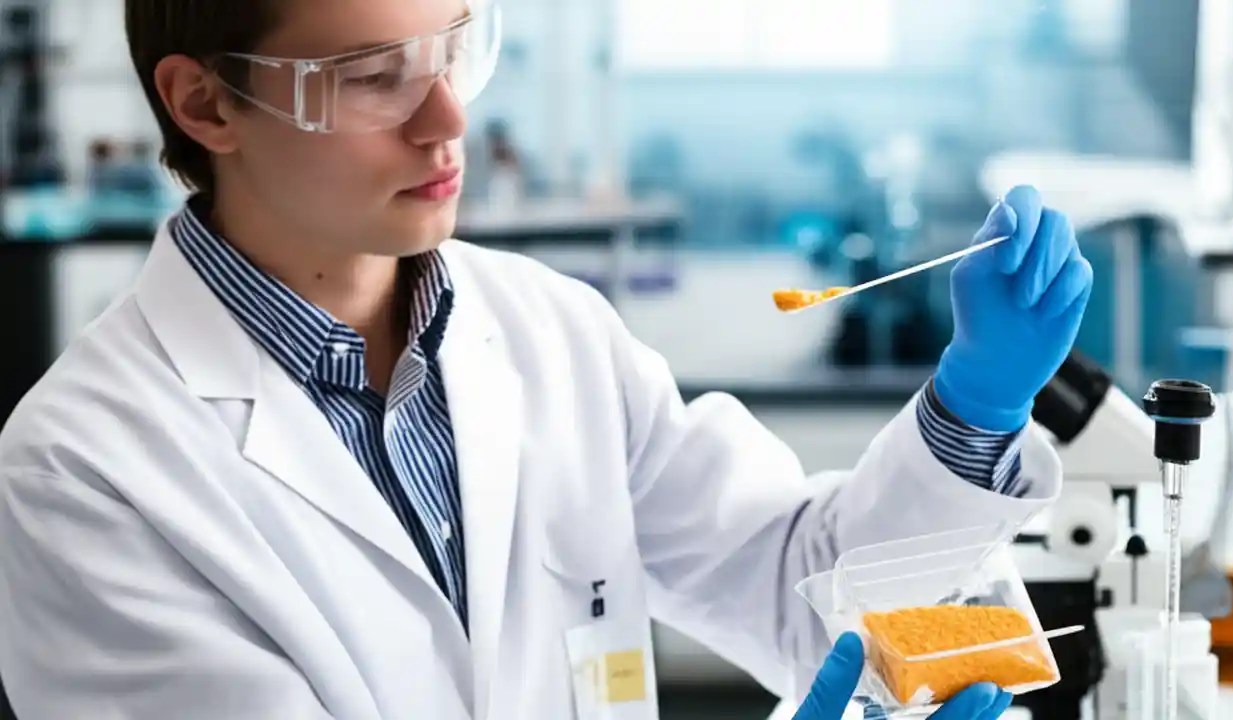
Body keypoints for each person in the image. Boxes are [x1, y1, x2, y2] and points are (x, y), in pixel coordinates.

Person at [0, 1, 1092, 718]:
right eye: (375, 76)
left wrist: (975, 402)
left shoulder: (548, 333)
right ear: (203, 103)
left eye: (452, 51)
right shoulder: (86, 468)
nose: (446, 121)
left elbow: (797, 600)